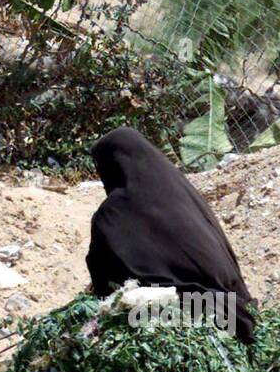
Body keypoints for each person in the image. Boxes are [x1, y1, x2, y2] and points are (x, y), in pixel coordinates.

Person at [87, 126, 255, 344]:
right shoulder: (182, 192)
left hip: (192, 309)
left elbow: (103, 281)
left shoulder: (112, 213)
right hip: (238, 304)